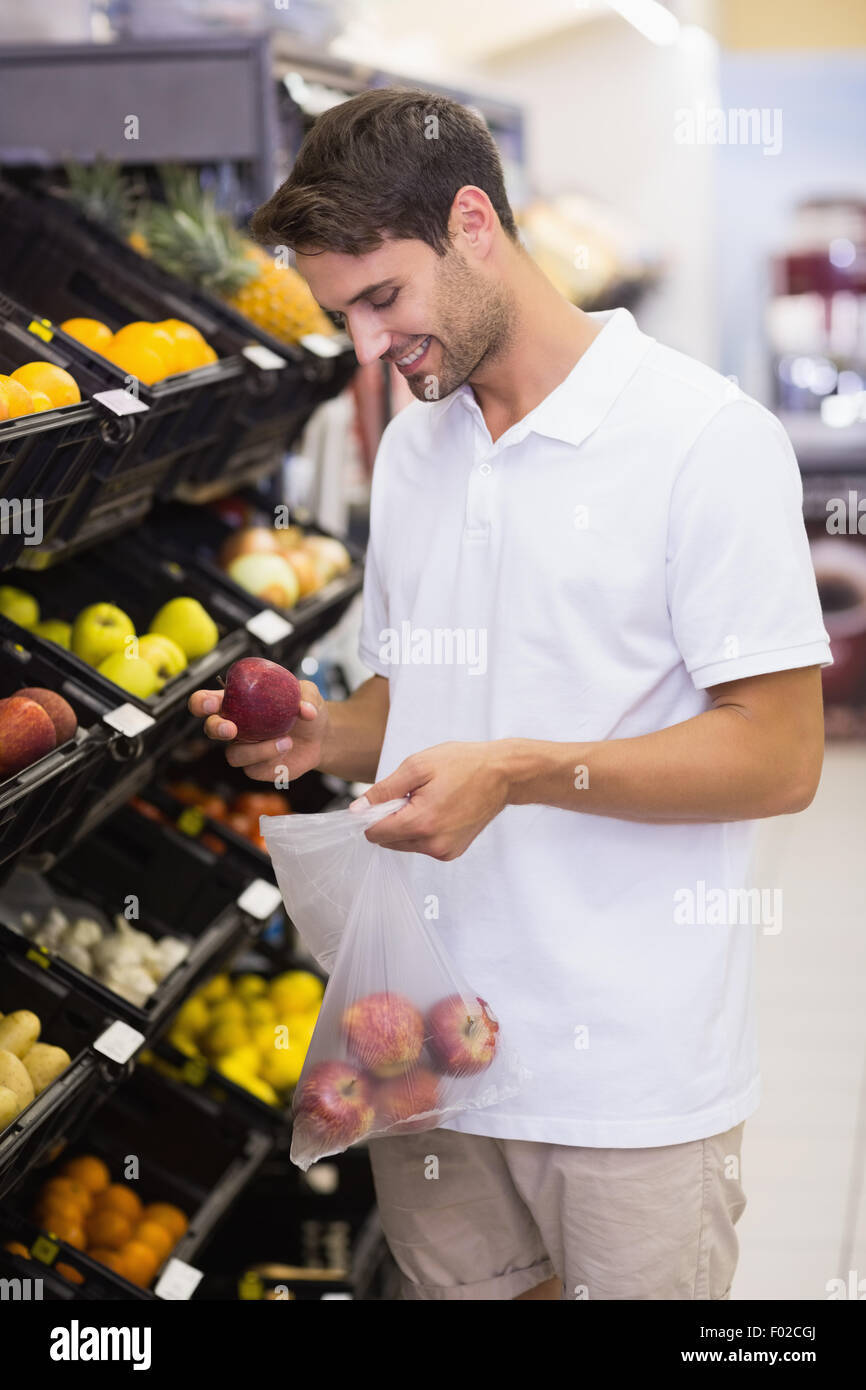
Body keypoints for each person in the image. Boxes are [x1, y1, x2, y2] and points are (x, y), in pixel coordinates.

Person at [190, 88, 831, 1301]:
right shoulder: (422, 445)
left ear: (472, 220)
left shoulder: (701, 439)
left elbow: (779, 754)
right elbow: (413, 698)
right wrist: (318, 737)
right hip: (424, 1042)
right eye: (344, 318)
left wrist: (523, 771)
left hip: (627, 1078)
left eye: (382, 299)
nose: (370, 347)